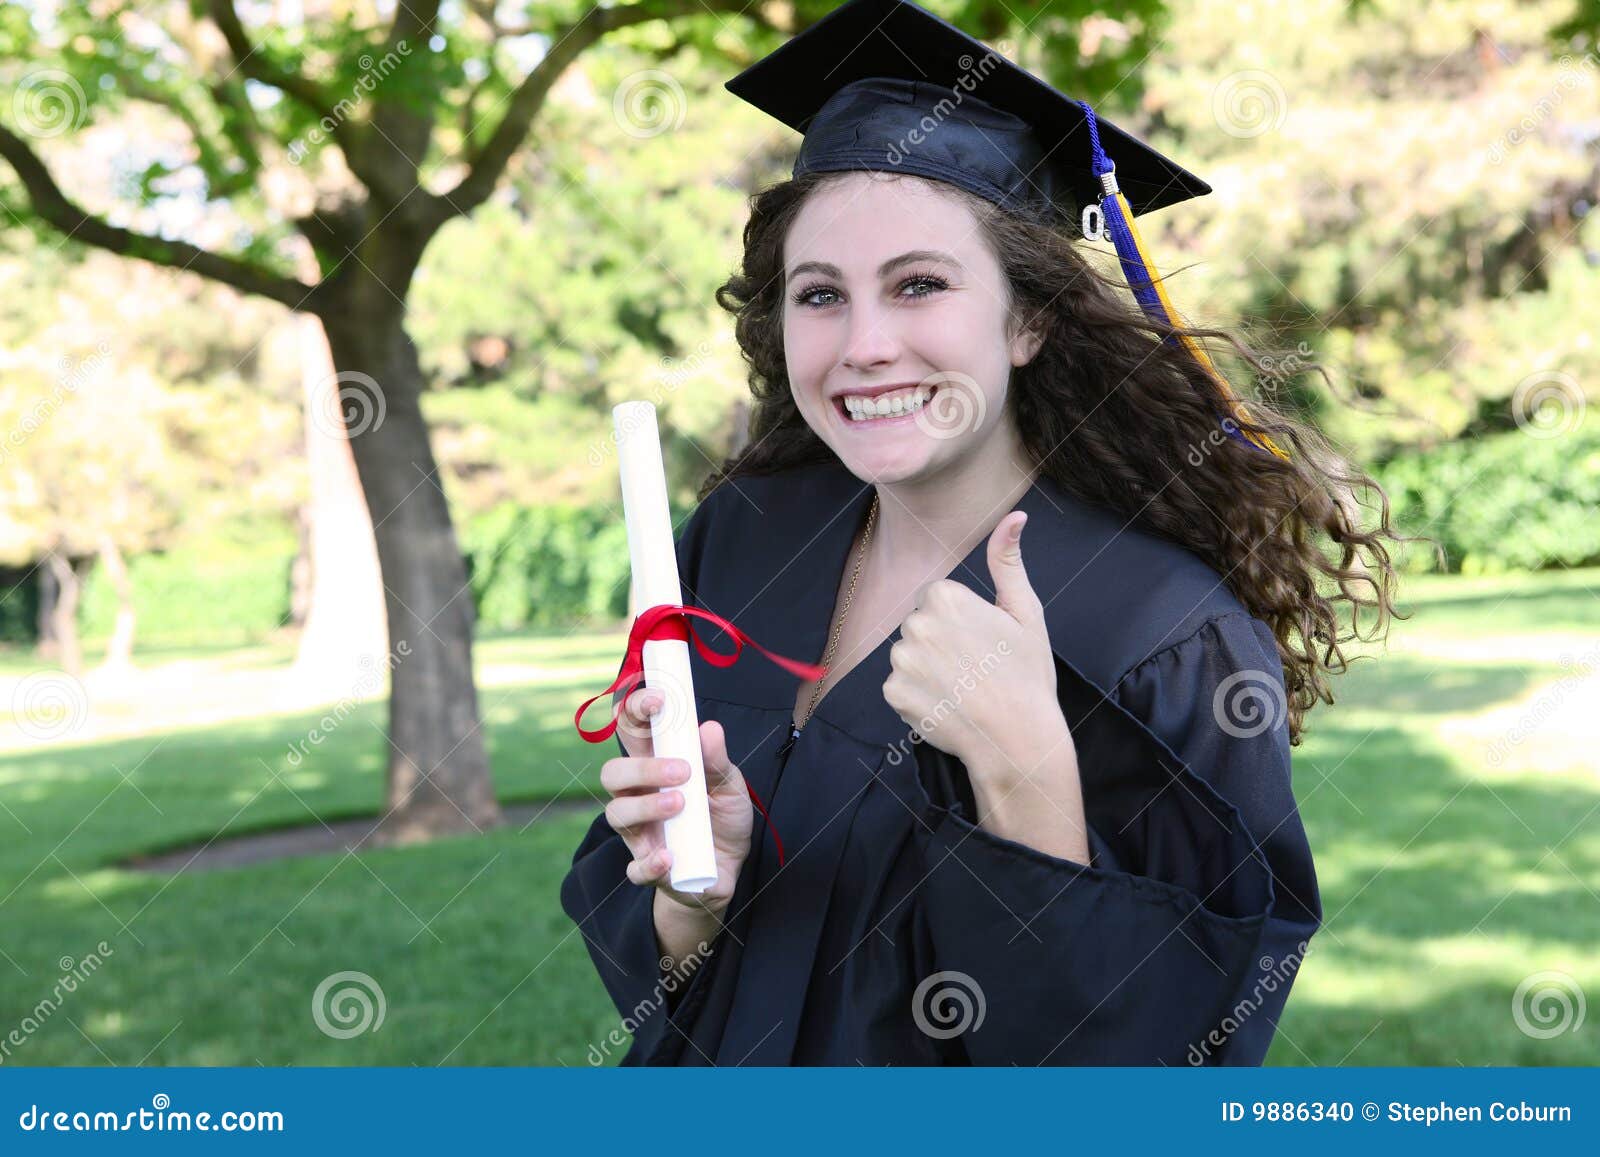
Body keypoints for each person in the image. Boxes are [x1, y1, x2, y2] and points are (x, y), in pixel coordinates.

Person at [561, 0, 1405, 1066]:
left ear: (1029, 318)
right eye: (820, 294)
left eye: (919, 284)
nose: (864, 345)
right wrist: (694, 892)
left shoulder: (1157, 631)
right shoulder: (741, 540)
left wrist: (1028, 780)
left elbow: (1171, 1065)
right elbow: (666, 978)